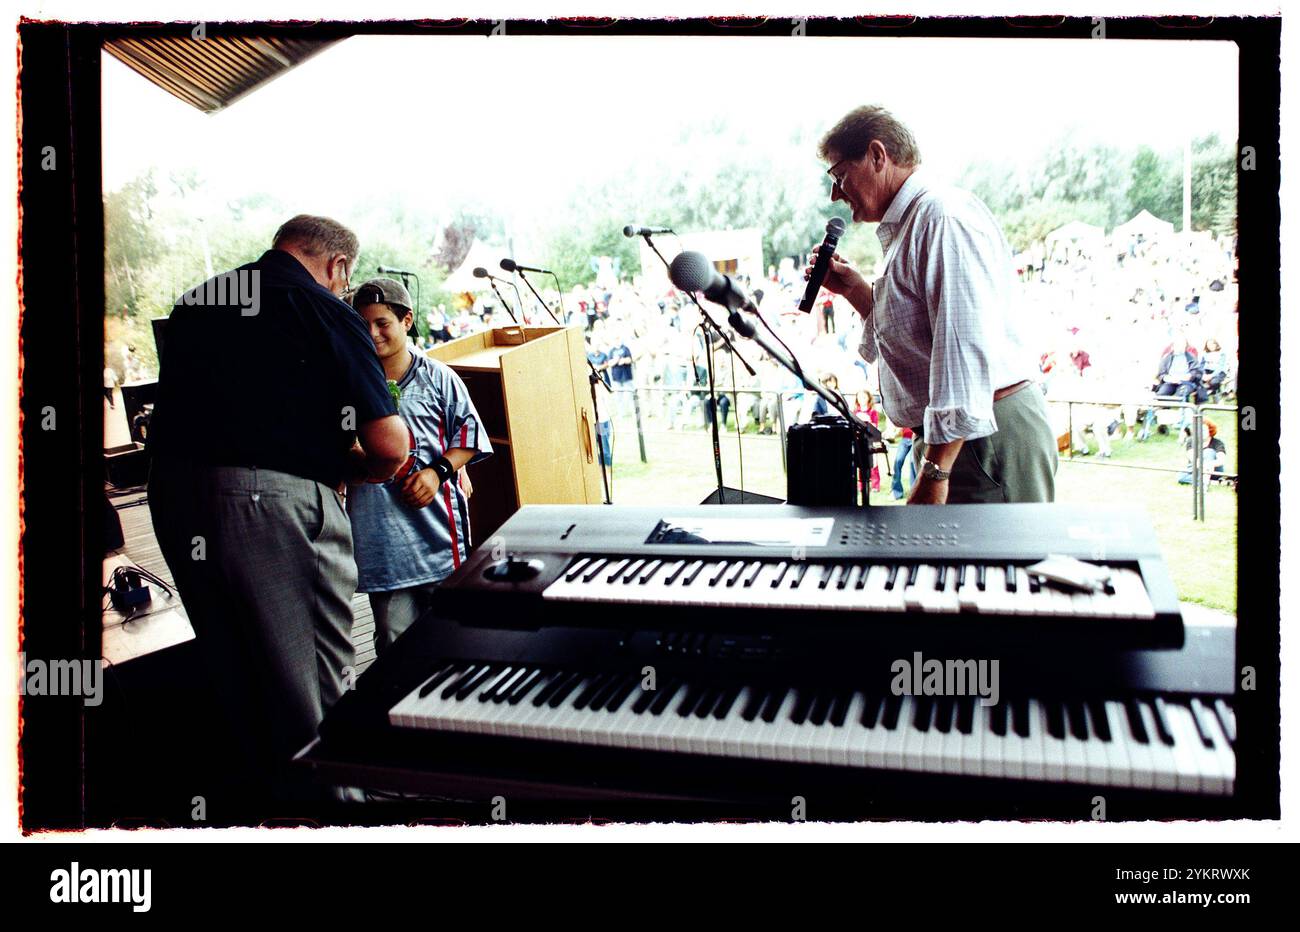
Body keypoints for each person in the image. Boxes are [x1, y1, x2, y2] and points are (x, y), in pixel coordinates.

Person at [147, 215, 410, 814]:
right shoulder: (320, 305)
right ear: (338, 267)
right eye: (345, 283)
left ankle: (273, 810)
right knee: (310, 678)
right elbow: (390, 446)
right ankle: (337, 812)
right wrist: (357, 471)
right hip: (270, 503)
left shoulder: (199, 301)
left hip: (175, 495)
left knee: (237, 666)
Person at [809, 105, 1057, 504]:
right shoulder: (916, 223)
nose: (836, 193)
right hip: (964, 440)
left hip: (983, 439)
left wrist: (936, 471)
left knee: (993, 568)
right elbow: (919, 332)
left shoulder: (941, 218)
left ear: (877, 155)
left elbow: (962, 348)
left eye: (839, 176)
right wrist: (855, 290)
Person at [346, 278, 492, 654]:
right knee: (395, 644)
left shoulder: (439, 378)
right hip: (380, 540)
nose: (373, 334)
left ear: (407, 320)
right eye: (362, 325)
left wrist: (438, 471)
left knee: (453, 636)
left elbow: (469, 436)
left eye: (383, 323)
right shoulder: (347, 385)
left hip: (439, 538)